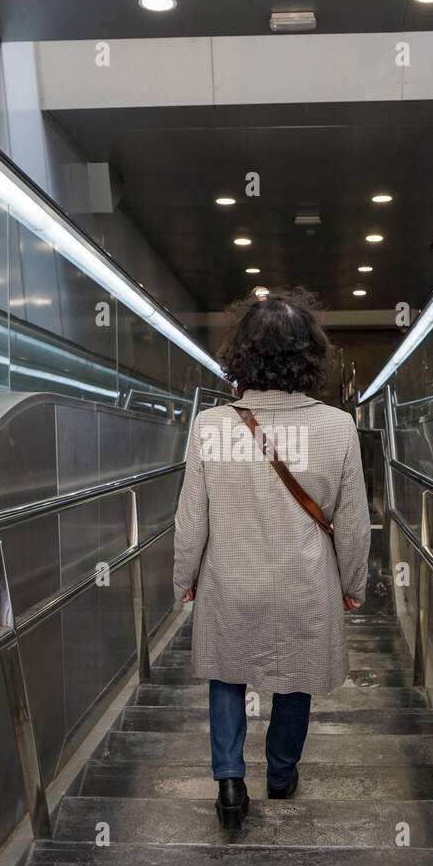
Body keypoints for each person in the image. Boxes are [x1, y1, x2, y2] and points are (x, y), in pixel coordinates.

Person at [173, 288, 371, 828]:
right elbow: (353, 522)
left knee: (226, 673)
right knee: (296, 676)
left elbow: (191, 518)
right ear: (310, 356)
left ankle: (229, 782)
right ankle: (281, 775)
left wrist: (184, 577)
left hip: (230, 580)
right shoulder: (337, 427)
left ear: (242, 354)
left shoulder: (211, 426)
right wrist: (352, 583)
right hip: (304, 581)